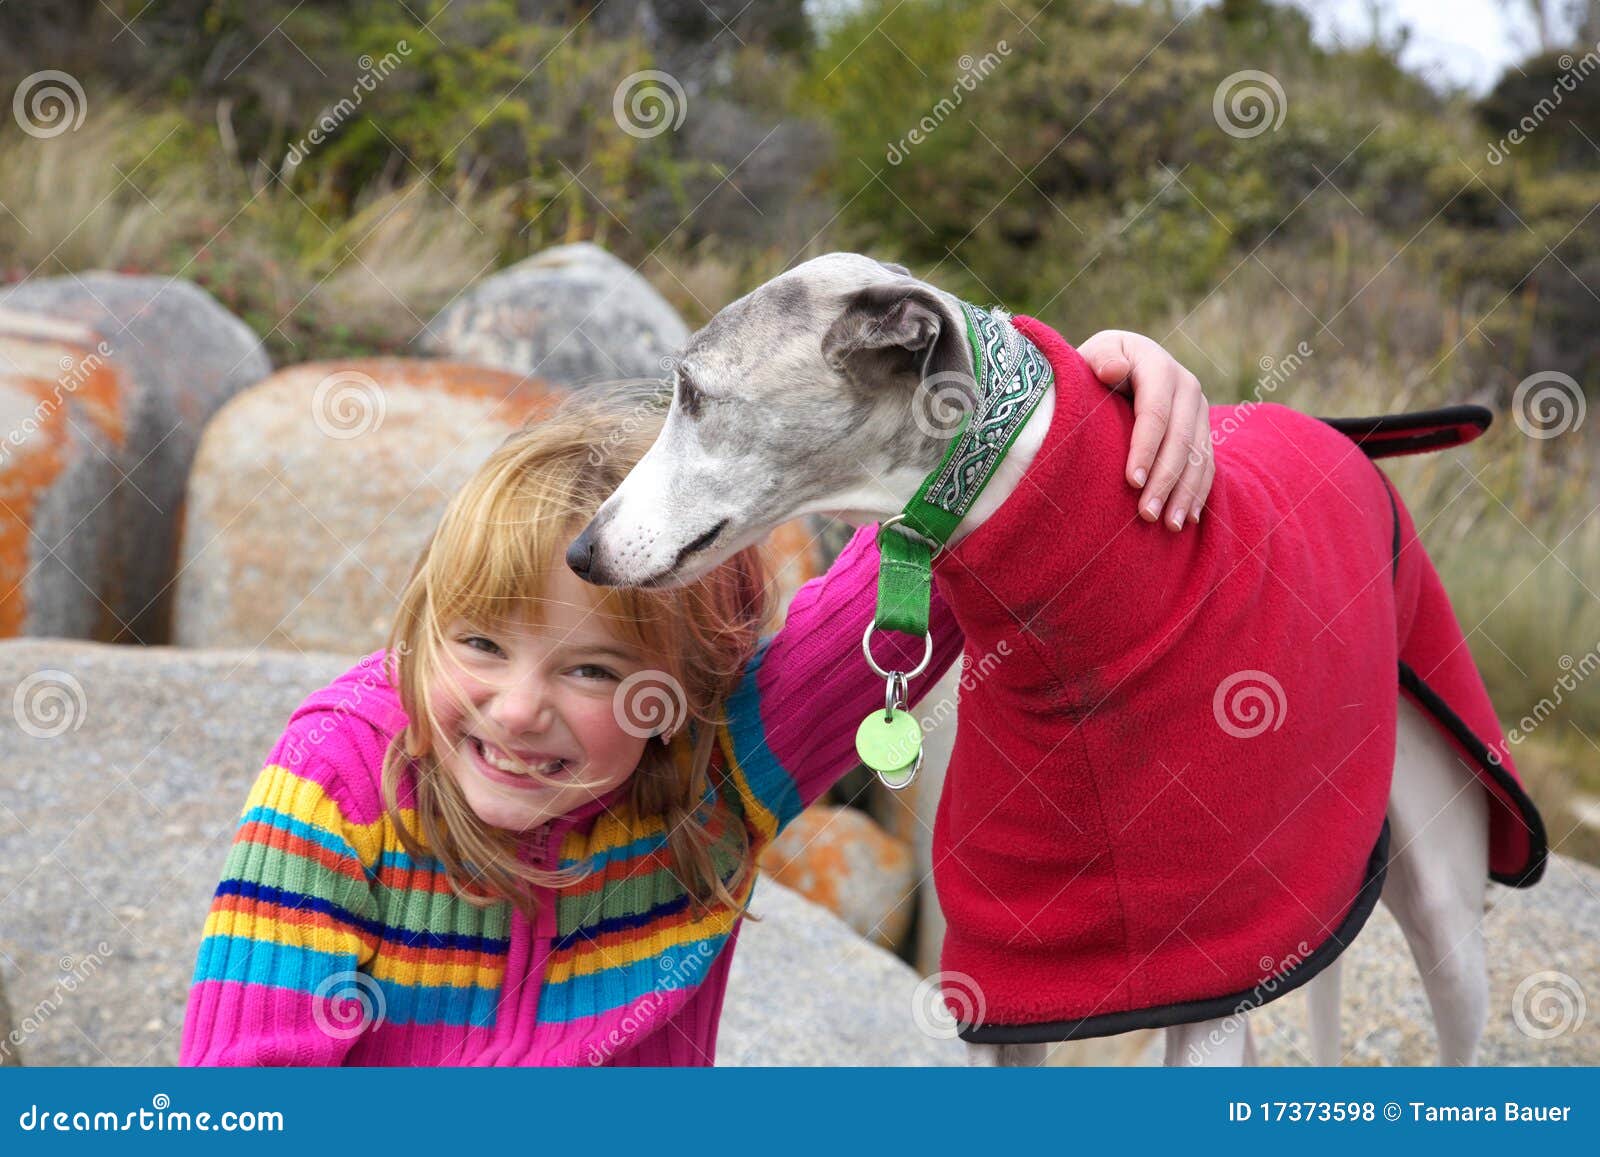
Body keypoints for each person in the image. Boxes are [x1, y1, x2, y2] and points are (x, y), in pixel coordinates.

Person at [178, 332, 1216, 1066]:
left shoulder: (722, 765)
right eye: (480, 642)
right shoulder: (344, 774)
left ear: (683, 694)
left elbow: (940, 542)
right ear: (421, 623)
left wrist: (1069, 390)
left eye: (594, 671)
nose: (516, 707)